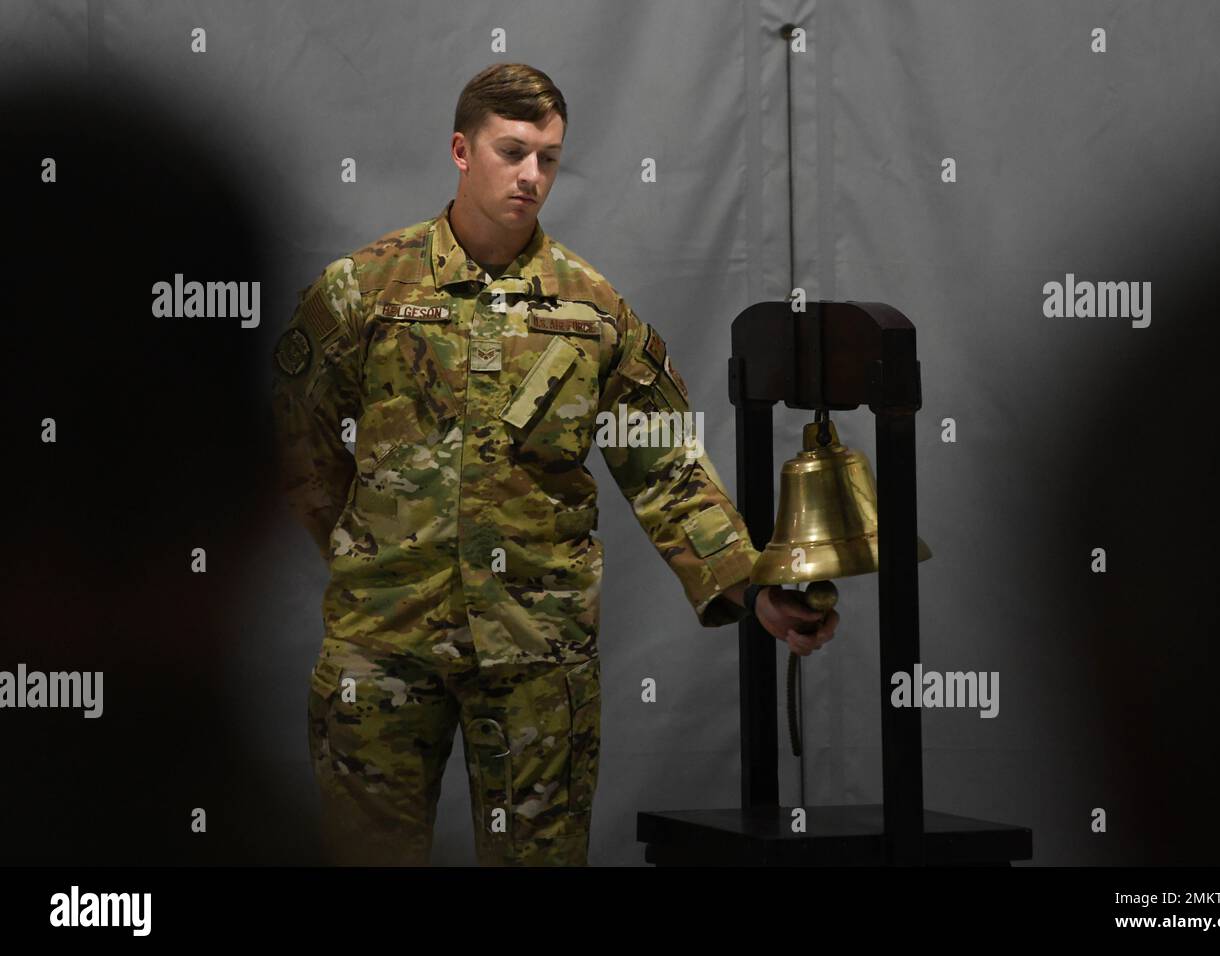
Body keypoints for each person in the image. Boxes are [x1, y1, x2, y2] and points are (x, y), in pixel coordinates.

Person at [270, 63, 839, 866]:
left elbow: (665, 466)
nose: (531, 176)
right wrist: (366, 557)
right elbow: (295, 436)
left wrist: (750, 582)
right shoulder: (365, 292)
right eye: (512, 152)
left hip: (538, 656)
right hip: (383, 650)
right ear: (462, 151)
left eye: (548, 158)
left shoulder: (590, 309)